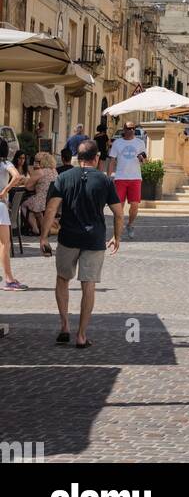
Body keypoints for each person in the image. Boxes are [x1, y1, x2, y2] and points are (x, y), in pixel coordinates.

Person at [40, 138, 122, 348]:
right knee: (88, 285)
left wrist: (43, 237)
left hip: (68, 237)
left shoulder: (64, 177)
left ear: (77, 158)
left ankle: (65, 326)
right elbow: (118, 213)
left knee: (62, 279)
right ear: (96, 159)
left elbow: (50, 209)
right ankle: (82, 335)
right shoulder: (105, 181)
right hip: (94, 239)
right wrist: (117, 236)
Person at [107, 121, 146, 238]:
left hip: (135, 178)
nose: (131, 130)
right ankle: (116, 233)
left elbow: (145, 161)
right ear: (124, 129)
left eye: (133, 128)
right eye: (129, 128)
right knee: (119, 207)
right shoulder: (117, 143)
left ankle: (130, 224)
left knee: (134, 205)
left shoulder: (140, 143)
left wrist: (141, 159)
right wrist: (108, 178)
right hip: (120, 178)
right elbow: (112, 161)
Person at [0, 138, 26, 290]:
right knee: (5, 243)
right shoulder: (5, 163)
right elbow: (17, 176)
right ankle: (9, 279)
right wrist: (5, 190)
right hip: (0, 206)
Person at [20, 152, 58, 236]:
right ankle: (40, 228)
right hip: (50, 200)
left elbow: (28, 187)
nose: (36, 163)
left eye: (38, 161)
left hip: (40, 201)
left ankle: (35, 229)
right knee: (33, 209)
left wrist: (26, 181)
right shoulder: (54, 171)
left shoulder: (40, 172)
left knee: (24, 205)